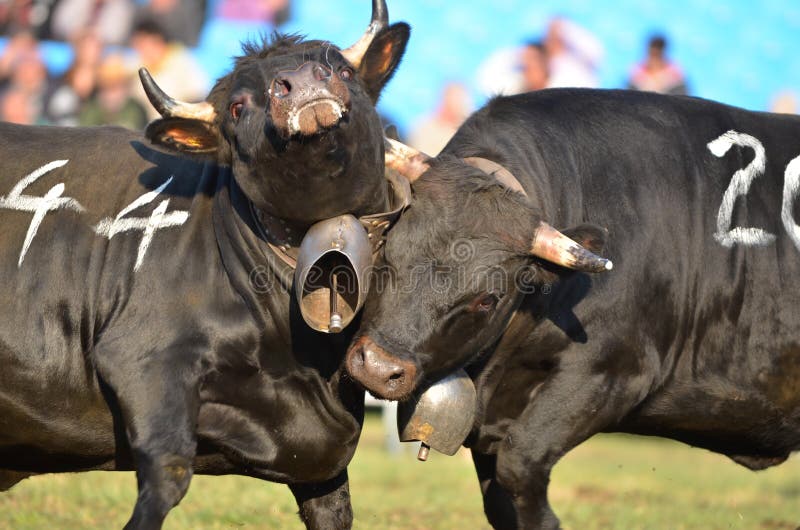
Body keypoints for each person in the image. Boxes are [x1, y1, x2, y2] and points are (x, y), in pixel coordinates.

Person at [128, 18, 209, 121]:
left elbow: (197, 95)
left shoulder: (180, 59)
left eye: (142, 45)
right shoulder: (137, 65)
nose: (140, 50)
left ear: (157, 40)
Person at [43, 30, 104, 125]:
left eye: (97, 47)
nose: (94, 52)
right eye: (88, 47)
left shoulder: (103, 83)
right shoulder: (62, 82)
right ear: (78, 49)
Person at [79, 53, 148, 129]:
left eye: (118, 83)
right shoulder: (91, 109)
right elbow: (85, 131)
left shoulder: (136, 108)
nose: (113, 91)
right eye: (108, 84)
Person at [408, 82, 472, 156]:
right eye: (455, 99)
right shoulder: (424, 126)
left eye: (460, 100)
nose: (458, 105)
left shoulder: (466, 132)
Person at [543, 17, 604, 88]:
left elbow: (595, 52)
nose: (552, 36)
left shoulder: (577, 58)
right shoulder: (543, 61)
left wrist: (565, 29)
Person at [49, 0, 135, 45]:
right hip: (70, 45)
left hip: (105, 53)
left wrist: (92, 35)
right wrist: (80, 33)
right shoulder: (77, 2)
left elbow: (116, 35)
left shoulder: (121, 6)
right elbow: (60, 25)